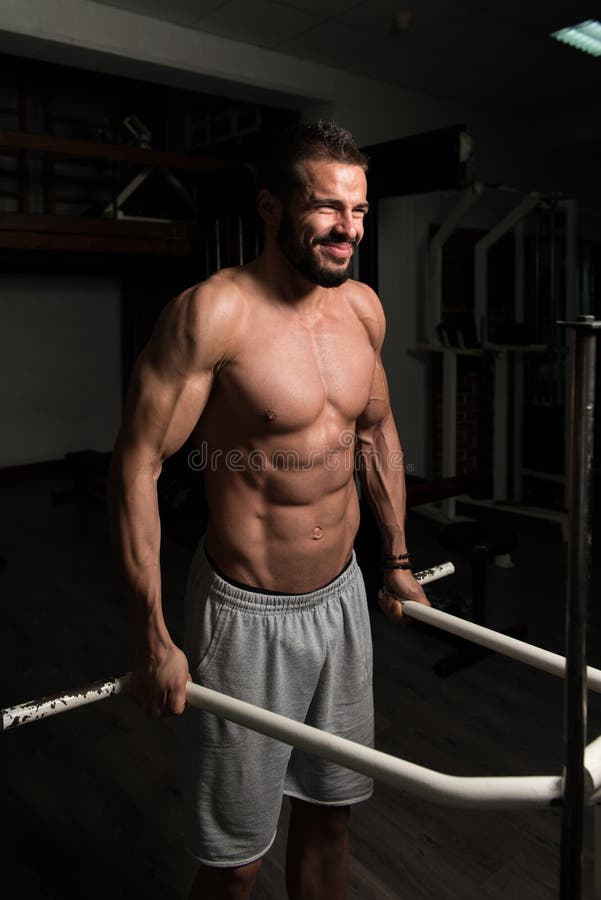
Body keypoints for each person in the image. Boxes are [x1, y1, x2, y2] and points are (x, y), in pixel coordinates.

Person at [107, 121, 430, 900]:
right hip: (245, 617)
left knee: (331, 814)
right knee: (237, 859)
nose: (347, 229)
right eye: (325, 208)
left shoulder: (362, 311)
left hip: (343, 601)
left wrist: (394, 559)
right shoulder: (213, 315)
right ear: (270, 207)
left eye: (357, 210)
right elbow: (138, 465)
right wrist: (154, 638)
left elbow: (376, 432)